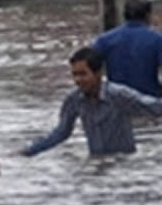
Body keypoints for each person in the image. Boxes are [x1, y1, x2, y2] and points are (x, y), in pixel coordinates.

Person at [22, 46, 162, 157]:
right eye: (75, 74)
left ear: (98, 73)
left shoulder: (118, 95)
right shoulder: (74, 100)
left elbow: (153, 107)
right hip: (96, 161)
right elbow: (61, 132)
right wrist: (31, 150)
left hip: (123, 163)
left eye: (83, 74)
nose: (78, 80)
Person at [92, 0, 162, 97]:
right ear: (148, 16)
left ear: (124, 15)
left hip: (115, 99)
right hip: (149, 98)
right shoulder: (158, 40)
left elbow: (89, 64)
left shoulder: (104, 39)